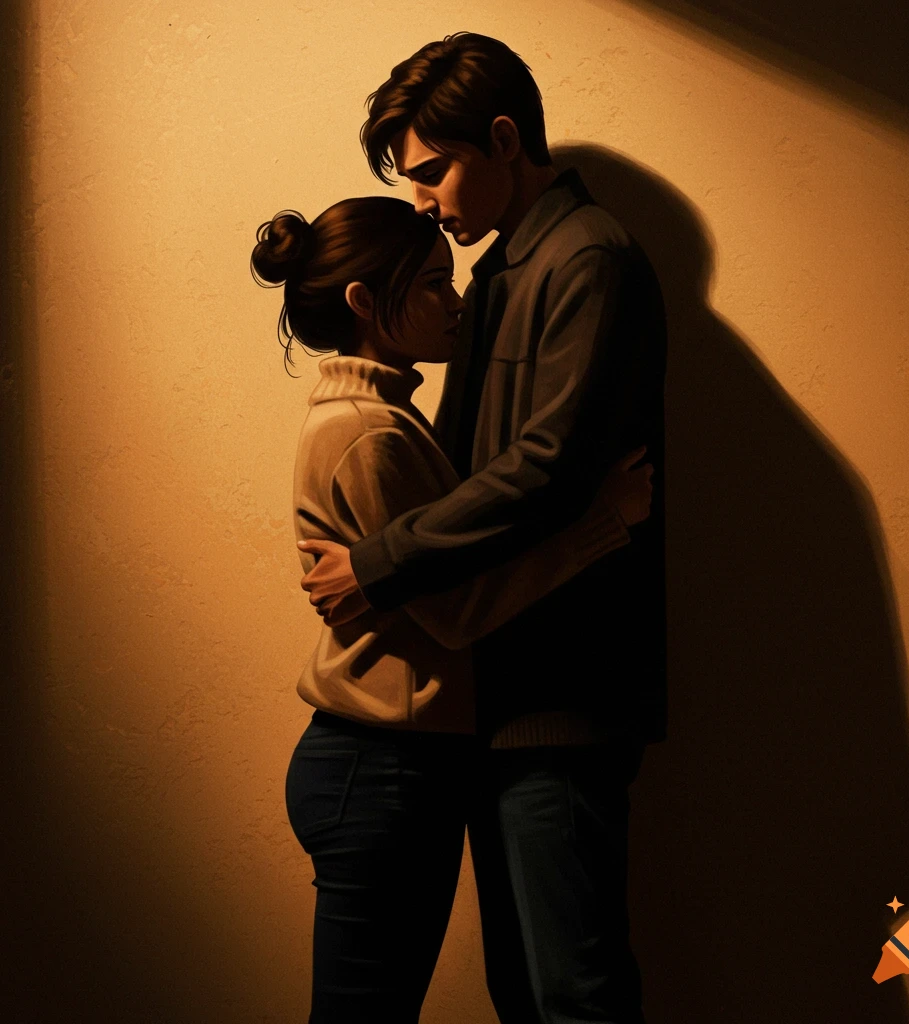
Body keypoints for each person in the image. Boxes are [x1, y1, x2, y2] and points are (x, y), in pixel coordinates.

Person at [297, 32, 667, 1024]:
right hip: (499, 693)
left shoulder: (588, 259)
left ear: (504, 139)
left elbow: (546, 468)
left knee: (570, 993)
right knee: (528, 989)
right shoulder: (504, 268)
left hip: (561, 694)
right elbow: (473, 472)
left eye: (433, 173)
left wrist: (378, 561)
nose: (423, 203)